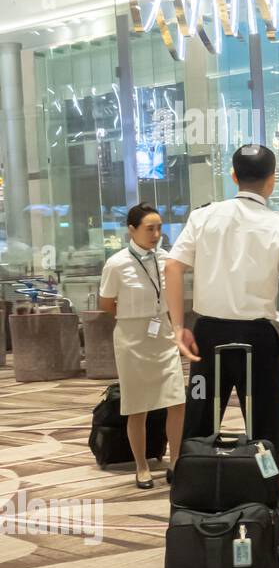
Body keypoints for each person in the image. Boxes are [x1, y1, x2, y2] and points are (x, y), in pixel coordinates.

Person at [165, 145, 279, 551]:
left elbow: (173, 266)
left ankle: (188, 521)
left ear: (232, 175)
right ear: (273, 178)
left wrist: (180, 326)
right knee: (265, 434)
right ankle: (269, 524)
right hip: (258, 338)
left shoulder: (204, 216)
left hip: (207, 335)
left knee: (199, 430)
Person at [98, 204, 186, 489]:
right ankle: (142, 466)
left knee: (177, 401)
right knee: (137, 407)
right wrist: (131, 318)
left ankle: (176, 462)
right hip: (132, 338)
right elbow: (106, 303)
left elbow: (173, 296)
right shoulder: (116, 263)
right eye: (150, 228)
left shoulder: (166, 259)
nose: (156, 234)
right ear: (131, 229)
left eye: (159, 228)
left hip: (162, 333)